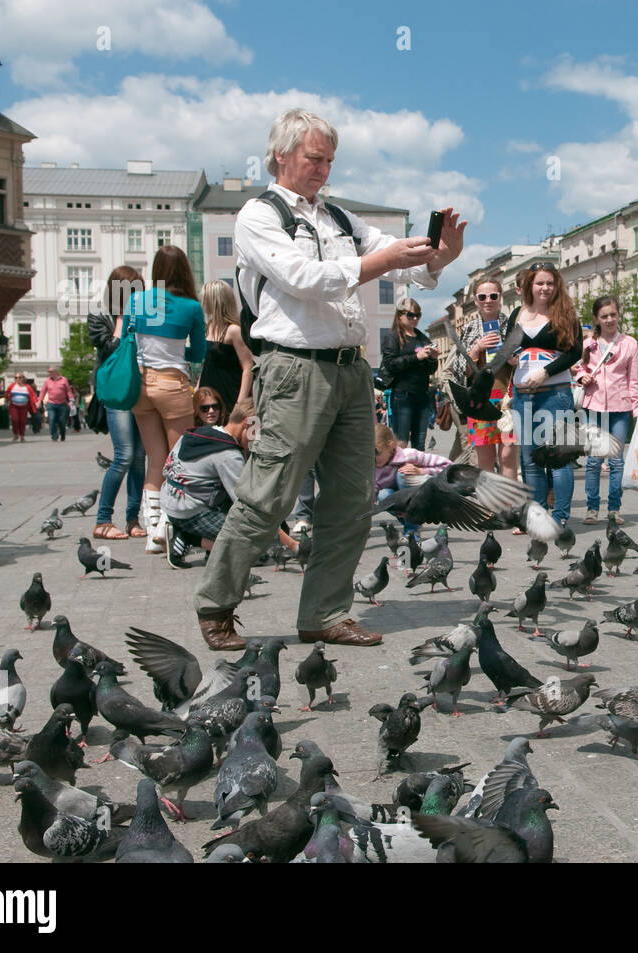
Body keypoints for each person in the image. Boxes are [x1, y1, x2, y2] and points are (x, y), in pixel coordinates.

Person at [194, 107, 462, 651]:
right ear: (281, 156)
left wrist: (438, 256)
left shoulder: (339, 218)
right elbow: (304, 278)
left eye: (330, 161)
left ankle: (325, 613)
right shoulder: (257, 215)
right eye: (315, 159)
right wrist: (385, 261)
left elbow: (400, 259)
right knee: (268, 496)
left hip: (350, 371)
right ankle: (216, 604)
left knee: (351, 498)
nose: (323, 170)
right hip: (293, 369)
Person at [122, 244, 206, 554]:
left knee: (155, 457)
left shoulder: (136, 300)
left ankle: (151, 528)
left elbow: (125, 342)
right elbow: (198, 352)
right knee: (179, 458)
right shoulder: (191, 307)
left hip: (141, 386)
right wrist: (174, 351)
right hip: (172, 384)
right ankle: (164, 526)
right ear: (184, 271)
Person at [161, 399, 295, 569]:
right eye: (258, 433)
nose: (258, 440)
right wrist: (292, 545)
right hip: (190, 511)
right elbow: (247, 505)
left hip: (171, 499)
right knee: (256, 553)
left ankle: (208, 543)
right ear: (247, 424)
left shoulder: (203, 433)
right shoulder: (228, 455)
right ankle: (187, 537)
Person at [506, 263, 582, 528]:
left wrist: (545, 372)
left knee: (559, 459)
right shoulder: (517, 313)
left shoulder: (565, 313)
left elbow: (575, 353)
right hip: (523, 396)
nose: (545, 288)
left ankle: (560, 517)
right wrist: (511, 360)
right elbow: (508, 349)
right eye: (540, 283)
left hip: (555, 393)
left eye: (550, 283)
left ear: (556, 284)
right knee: (530, 459)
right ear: (529, 285)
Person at [575, 295, 638, 525]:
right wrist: (581, 377)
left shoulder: (629, 344)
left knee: (616, 461)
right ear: (596, 319)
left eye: (613, 315)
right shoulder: (588, 344)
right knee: (594, 461)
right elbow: (577, 367)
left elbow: (634, 381)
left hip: (620, 407)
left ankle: (614, 508)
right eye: (604, 316)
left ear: (619, 315)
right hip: (594, 405)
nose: (609, 320)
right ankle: (592, 508)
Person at [88, 265, 148, 540]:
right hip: (116, 391)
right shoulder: (100, 317)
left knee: (138, 459)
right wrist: (124, 317)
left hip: (142, 389)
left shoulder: (146, 315)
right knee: (123, 455)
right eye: (130, 289)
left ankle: (132, 519)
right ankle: (102, 519)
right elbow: (109, 348)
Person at [453, 276, 518, 478]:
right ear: (475, 300)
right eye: (482, 296)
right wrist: (476, 349)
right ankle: (489, 507)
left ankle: (510, 506)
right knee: (485, 460)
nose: (488, 300)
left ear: (500, 297)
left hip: (509, 398)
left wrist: (513, 359)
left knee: (508, 456)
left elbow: (524, 363)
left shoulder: (512, 325)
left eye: (493, 295)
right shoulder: (469, 329)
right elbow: (460, 371)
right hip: (480, 400)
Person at [374, 423, 452, 537]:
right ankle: (411, 523)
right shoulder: (374, 468)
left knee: (402, 474)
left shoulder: (409, 455)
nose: (373, 457)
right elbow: (371, 496)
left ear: (390, 446)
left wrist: (422, 471)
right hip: (404, 504)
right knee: (383, 495)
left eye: (377, 453)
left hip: (422, 498)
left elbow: (448, 466)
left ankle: (411, 531)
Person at [381, 298, 437, 452]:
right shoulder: (393, 337)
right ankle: (401, 474)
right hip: (402, 394)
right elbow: (390, 364)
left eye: (418, 315)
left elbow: (431, 370)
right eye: (410, 315)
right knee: (401, 442)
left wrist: (433, 358)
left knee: (419, 443)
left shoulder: (422, 337)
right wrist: (416, 357)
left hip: (422, 394)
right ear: (400, 315)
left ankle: (417, 474)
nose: (415, 319)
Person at [198, 280, 255, 413]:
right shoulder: (208, 327)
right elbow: (207, 363)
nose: (203, 303)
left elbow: (248, 367)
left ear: (215, 301)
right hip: (208, 393)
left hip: (228, 394)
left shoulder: (233, 330)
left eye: (206, 299)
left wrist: (240, 402)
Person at [39, 367, 71, 442]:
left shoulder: (64, 380)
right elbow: (43, 391)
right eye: (48, 372)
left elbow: (68, 391)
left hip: (62, 403)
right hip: (51, 403)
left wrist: (71, 400)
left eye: (51, 371)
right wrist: (40, 401)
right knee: (51, 419)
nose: (49, 373)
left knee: (62, 421)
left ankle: (62, 434)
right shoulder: (47, 381)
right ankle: (54, 435)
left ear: (56, 372)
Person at [3, 373, 37, 443]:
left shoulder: (27, 387)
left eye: (19, 377)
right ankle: (15, 434)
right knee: (14, 420)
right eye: (16, 378)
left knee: (22, 421)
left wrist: (36, 402)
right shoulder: (12, 386)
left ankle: (22, 436)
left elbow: (33, 395)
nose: (17, 379)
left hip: (24, 406)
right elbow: (6, 393)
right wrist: (7, 395)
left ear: (23, 379)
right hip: (14, 406)